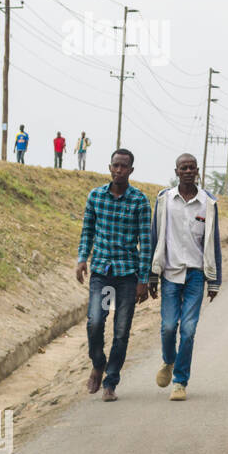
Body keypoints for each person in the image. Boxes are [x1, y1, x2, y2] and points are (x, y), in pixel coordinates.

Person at [75, 149, 152, 400]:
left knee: (121, 331)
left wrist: (143, 278)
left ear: (131, 170)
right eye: (116, 165)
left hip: (127, 276)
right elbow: (87, 230)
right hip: (102, 273)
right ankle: (98, 363)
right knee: (95, 321)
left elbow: (146, 243)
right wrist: (81, 259)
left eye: (124, 166)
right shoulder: (96, 196)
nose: (119, 170)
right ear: (110, 167)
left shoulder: (139, 201)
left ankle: (111, 381)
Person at [148, 153, 222, 401]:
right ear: (177, 171)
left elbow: (214, 243)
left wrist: (214, 280)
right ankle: (168, 360)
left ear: (198, 171)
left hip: (195, 276)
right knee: (169, 327)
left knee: (188, 330)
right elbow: (155, 237)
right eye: (183, 168)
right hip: (170, 273)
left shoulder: (208, 203)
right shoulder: (165, 200)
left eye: (192, 168)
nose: (188, 171)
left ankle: (180, 382)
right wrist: (152, 276)